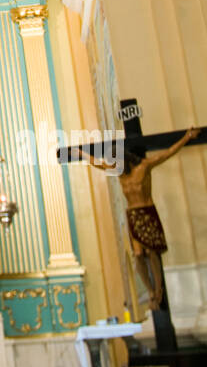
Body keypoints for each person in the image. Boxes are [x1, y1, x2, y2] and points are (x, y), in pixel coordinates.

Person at [74, 128, 197, 310]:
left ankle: (159, 287)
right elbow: (98, 164)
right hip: (132, 215)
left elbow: (168, 153)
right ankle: (150, 290)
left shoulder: (144, 167)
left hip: (146, 212)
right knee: (138, 254)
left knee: (150, 252)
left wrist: (186, 137)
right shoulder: (118, 172)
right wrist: (81, 154)